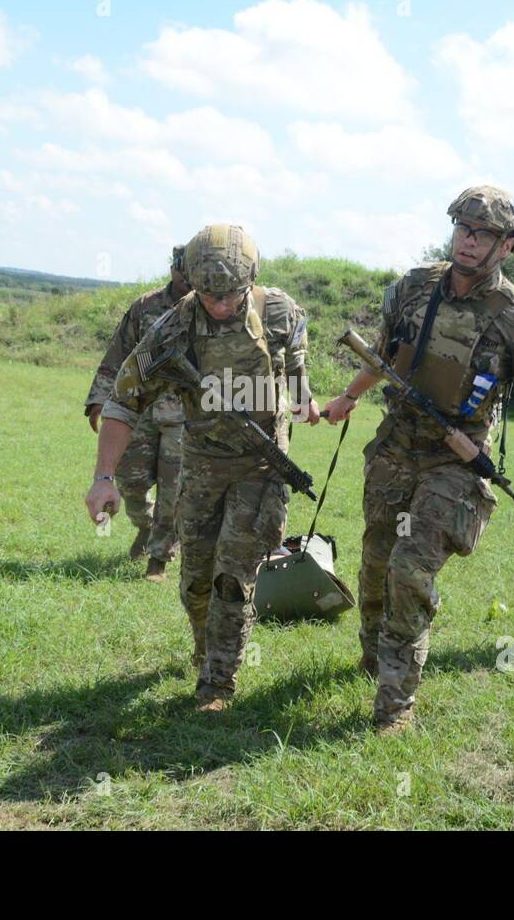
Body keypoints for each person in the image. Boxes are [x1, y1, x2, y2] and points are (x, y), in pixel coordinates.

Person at [323, 186, 514, 734]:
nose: (469, 243)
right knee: (376, 563)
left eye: (484, 235)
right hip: (395, 447)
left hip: (457, 458)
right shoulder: (414, 288)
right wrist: (349, 397)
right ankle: (377, 657)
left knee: (409, 568)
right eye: (463, 230)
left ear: (508, 245)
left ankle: (394, 704)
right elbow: (383, 356)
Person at [85, 224, 320, 710]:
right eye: (207, 294)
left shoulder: (281, 313)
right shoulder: (172, 326)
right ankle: (204, 649)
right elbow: (123, 403)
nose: (217, 305)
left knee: (232, 577)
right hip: (202, 464)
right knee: (195, 581)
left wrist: (306, 406)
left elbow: (298, 382)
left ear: (250, 279)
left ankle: (218, 683)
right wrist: (103, 477)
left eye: (229, 294)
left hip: (261, 468)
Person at [84, 246, 189, 581]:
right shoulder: (145, 306)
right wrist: (100, 397)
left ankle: (159, 558)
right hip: (139, 411)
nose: (186, 278)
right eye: (181, 270)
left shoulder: (207, 311)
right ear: (173, 268)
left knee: (174, 489)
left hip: (183, 415)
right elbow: (119, 352)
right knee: (131, 483)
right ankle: (146, 525)